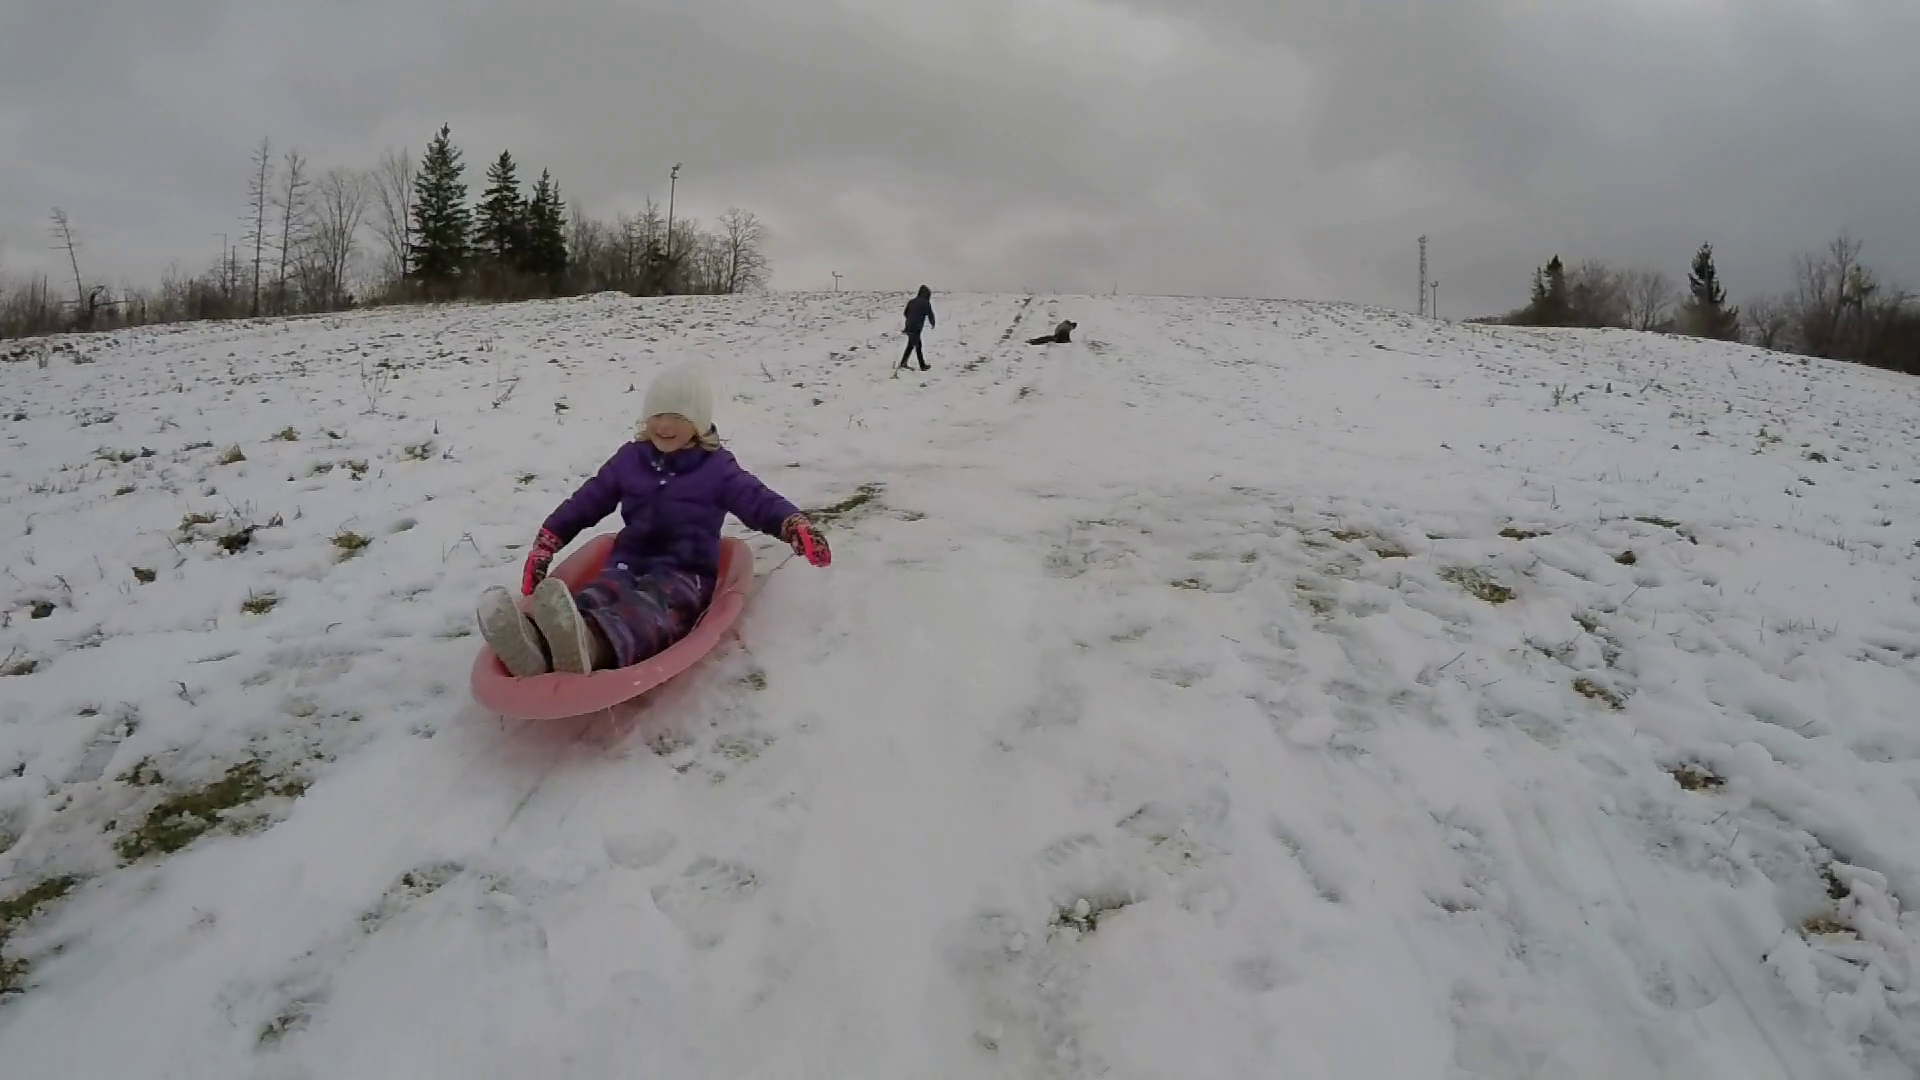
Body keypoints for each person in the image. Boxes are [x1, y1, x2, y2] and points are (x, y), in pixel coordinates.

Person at [476, 362, 830, 677]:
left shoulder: (717, 469)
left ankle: (591, 647)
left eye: (678, 416)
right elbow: (588, 499)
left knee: (646, 614)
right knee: (596, 595)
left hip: (684, 575)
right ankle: (536, 643)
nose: (664, 425)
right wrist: (548, 541)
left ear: (699, 422)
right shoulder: (630, 459)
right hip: (626, 563)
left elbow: (757, 499)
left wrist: (793, 525)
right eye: (657, 415)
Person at [900, 285, 935, 371]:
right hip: (916, 327)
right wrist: (932, 323)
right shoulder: (925, 303)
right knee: (918, 345)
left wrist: (910, 319)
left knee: (911, 345)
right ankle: (922, 366)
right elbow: (930, 314)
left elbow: (905, 313)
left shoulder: (911, 302)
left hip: (909, 326)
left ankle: (903, 363)